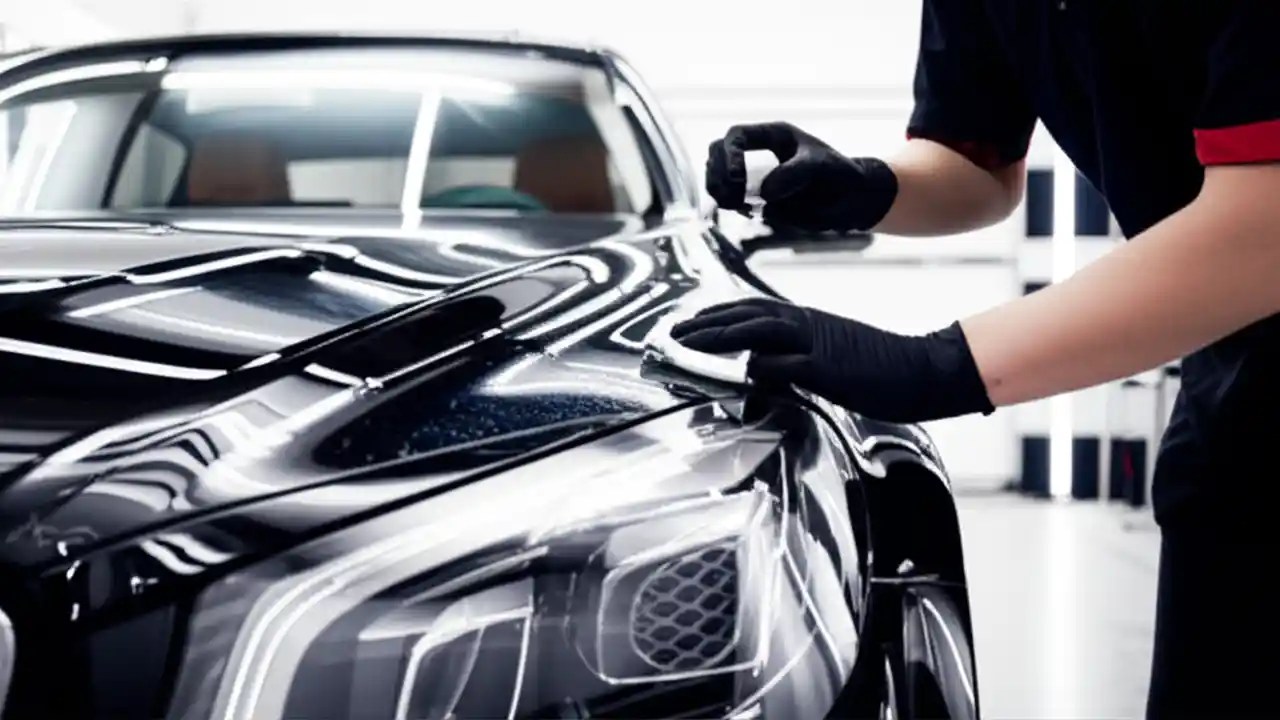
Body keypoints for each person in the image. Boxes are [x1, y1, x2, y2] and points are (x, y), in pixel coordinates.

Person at [674, 1, 1280, 717]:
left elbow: (1264, 227)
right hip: (1237, 391)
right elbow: (978, 165)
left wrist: (934, 368)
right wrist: (865, 188)